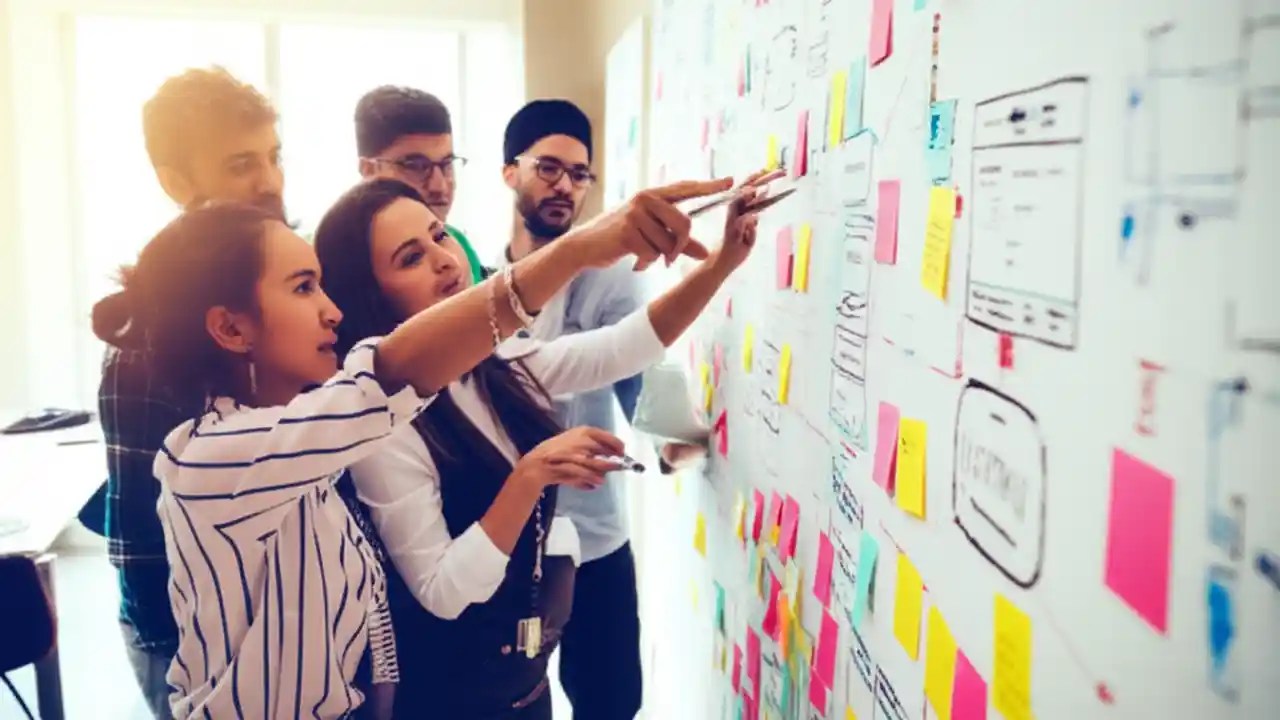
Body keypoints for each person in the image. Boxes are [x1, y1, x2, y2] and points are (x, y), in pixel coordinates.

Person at [89, 173, 733, 719]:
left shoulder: (313, 441)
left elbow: (365, 636)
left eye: (437, 235)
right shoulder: (218, 458)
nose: (332, 312)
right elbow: (389, 375)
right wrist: (580, 248)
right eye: (303, 287)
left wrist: (723, 258)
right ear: (231, 328)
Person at [313, 172, 767, 718]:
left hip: (524, 685)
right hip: (452, 698)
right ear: (369, 294)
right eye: (411, 257)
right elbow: (441, 590)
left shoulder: (492, 363)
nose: (446, 260)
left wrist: (722, 263)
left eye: (439, 235)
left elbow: (617, 350)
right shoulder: (381, 423)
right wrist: (530, 476)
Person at [98, 66, 285, 719]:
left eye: (273, 156)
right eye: (241, 164)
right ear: (176, 184)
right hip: (189, 639)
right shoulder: (147, 331)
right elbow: (142, 540)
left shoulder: (277, 291)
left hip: (283, 620)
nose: (269, 181)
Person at [499, 98, 649, 718]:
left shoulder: (610, 281)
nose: (565, 186)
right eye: (549, 168)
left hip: (599, 541)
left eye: (580, 174)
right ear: (512, 172)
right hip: (515, 546)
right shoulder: (478, 283)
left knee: (612, 701)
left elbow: (637, 376)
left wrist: (673, 435)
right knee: (519, 698)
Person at [354, 85, 486, 282]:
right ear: (369, 170)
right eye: (415, 166)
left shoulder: (456, 243)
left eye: (446, 164)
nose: (439, 186)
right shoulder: (334, 259)